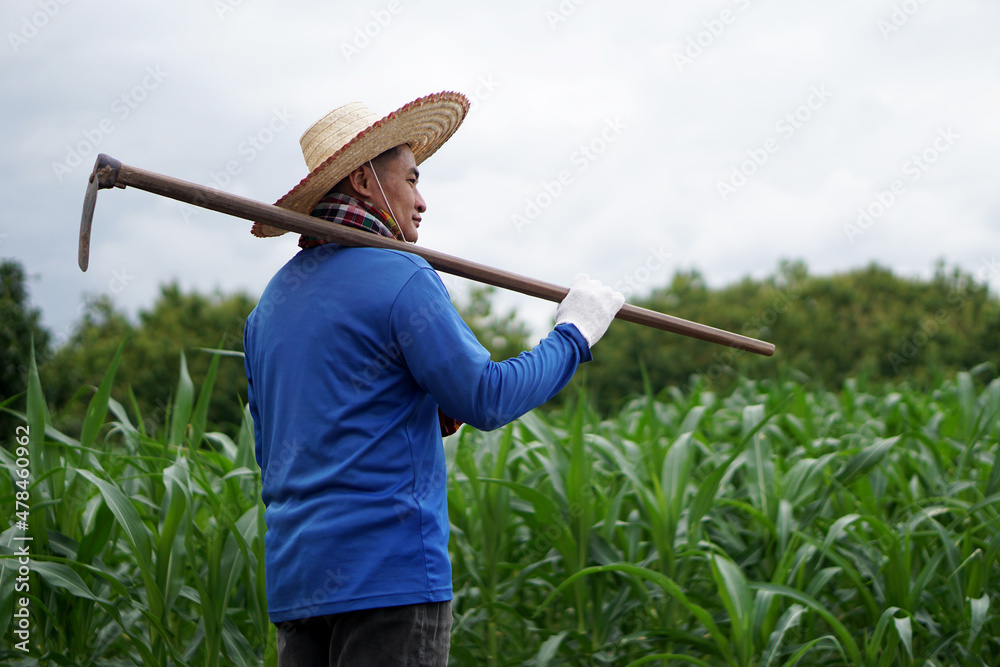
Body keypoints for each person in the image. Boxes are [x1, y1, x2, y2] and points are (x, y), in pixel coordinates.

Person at [243, 91, 625, 666]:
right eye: (412, 179)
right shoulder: (402, 278)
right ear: (367, 183)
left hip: (298, 585)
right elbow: (487, 397)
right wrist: (574, 335)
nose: (422, 202)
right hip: (390, 581)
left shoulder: (268, 308)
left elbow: (273, 450)